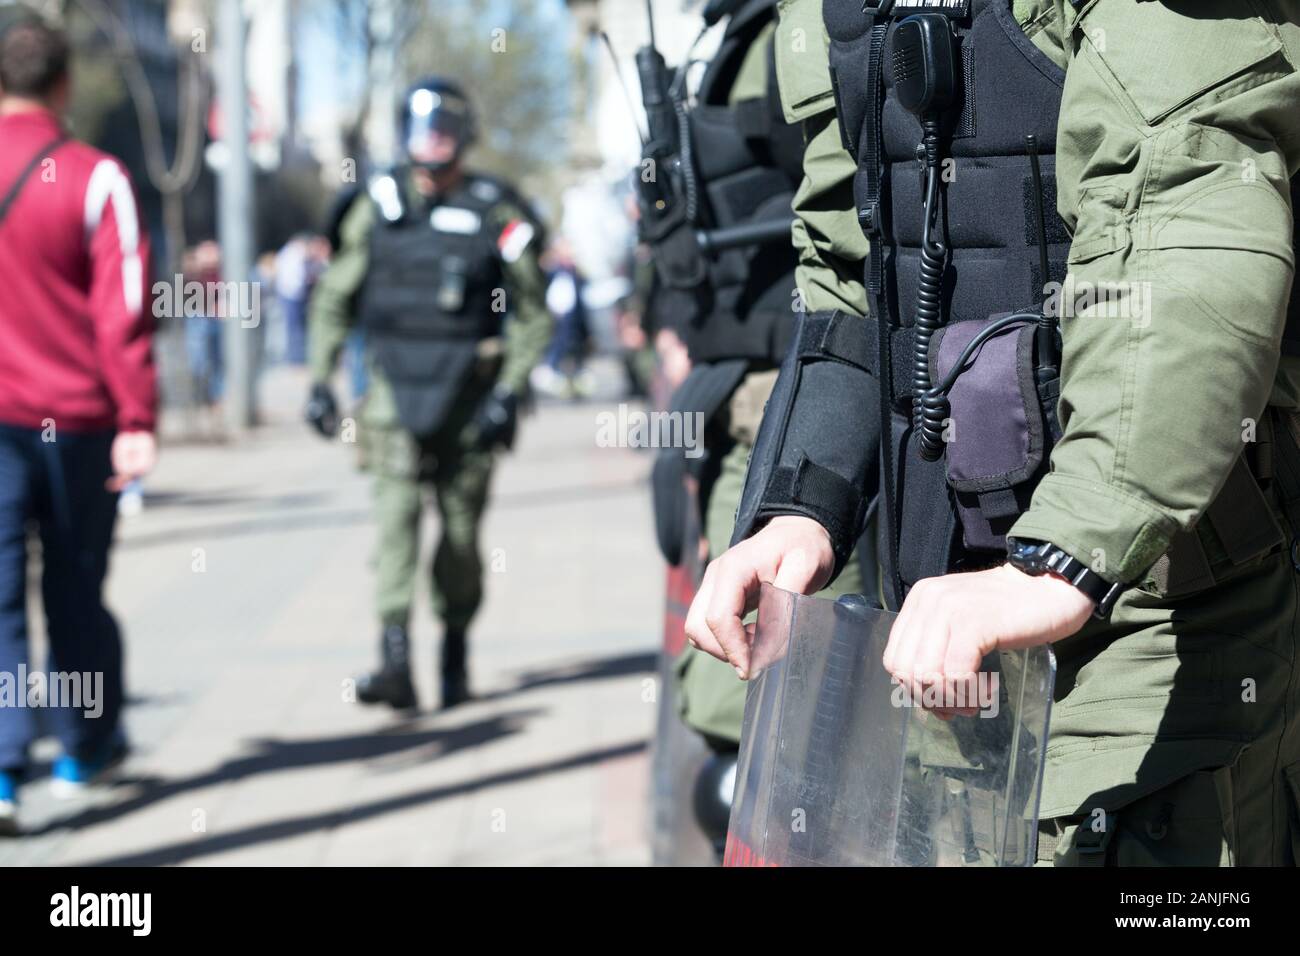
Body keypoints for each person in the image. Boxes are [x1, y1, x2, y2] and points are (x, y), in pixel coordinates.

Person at [688, 0, 1300, 866]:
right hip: (941, 625)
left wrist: (1064, 553)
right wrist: (803, 499)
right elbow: (854, 265)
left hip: (1155, 621)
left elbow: (1183, 218)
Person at [636, 0, 874, 858]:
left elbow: (849, 217)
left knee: (771, 744)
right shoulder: (731, 33)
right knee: (731, 734)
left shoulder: (797, 28)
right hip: (742, 393)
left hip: (808, 402)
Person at [306, 76, 551, 712]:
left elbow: (531, 312)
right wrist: (319, 378)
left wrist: (510, 390)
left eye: (445, 127)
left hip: (469, 402)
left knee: (462, 538)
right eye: (421, 127)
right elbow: (335, 296)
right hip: (392, 397)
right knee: (395, 527)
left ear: (464, 137)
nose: (432, 140)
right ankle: (394, 663)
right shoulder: (375, 206)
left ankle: (454, 654)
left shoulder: (495, 211)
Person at [0, 17, 157, 833]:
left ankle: (0, 769)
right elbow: (123, 309)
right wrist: (137, 415)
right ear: (64, 85)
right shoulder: (97, 178)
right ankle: (81, 746)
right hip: (78, 421)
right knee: (73, 588)